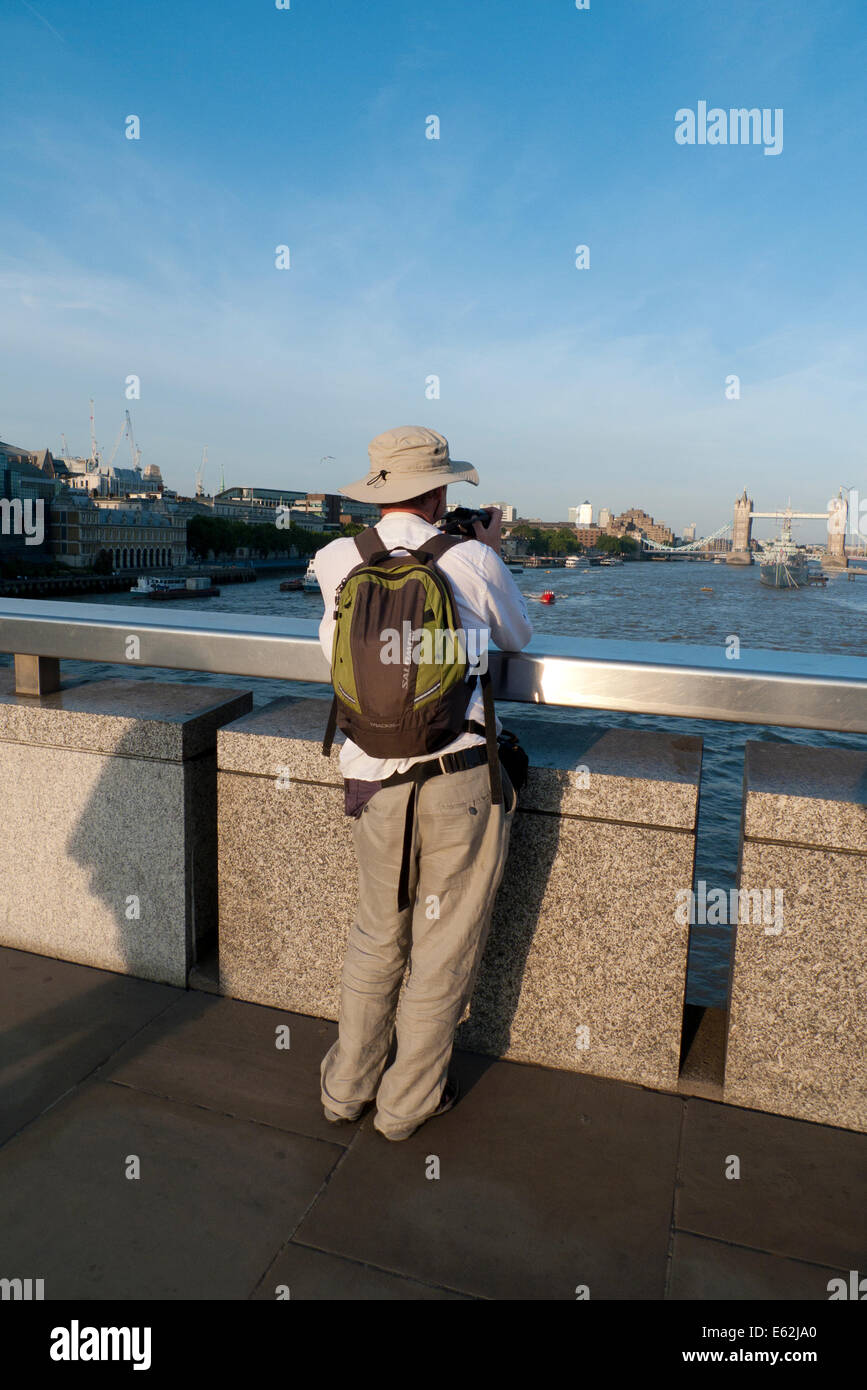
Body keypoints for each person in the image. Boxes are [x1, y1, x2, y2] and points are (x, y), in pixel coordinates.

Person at [314, 425, 533, 1141]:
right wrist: (487, 551)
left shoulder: (336, 558)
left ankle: (345, 1088)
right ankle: (406, 1104)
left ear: (378, 489)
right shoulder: (469, 557)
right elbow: (517, 639)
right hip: (456, 775)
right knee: (441, 944)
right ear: (439, 490)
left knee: (377, 934)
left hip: (369, 775)